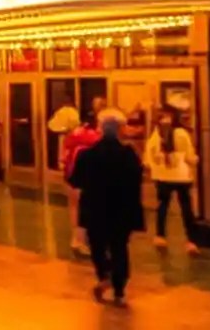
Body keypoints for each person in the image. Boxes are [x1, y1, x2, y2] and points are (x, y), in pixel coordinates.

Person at [68, 109, 145, 306]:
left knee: (98, 247)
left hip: (95, 211)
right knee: (119, 247)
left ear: (101, 130)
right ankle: (119, 288)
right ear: (119, 129)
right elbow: (137, 179)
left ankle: (104, 276)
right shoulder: (128, 155)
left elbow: (75, 181)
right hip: (122, 211)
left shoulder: (87, 155)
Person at [145, 106, 200, 255]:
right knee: (186, 208)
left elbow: (149, 156)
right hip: (181, 176)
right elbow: (189, 156)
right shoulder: (181, 133)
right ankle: (191, 241)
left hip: (162, 177)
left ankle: (160, 235)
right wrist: (195, 160)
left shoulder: (155, 134)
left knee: (163, 206)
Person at [60, 102, 103, 255]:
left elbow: (62, 159)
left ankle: (76, 240)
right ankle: (82, 241)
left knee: (73, 208)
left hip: (70, 178)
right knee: (85, 210)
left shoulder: (69, 138)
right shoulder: (91, 139)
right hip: (84, 180)